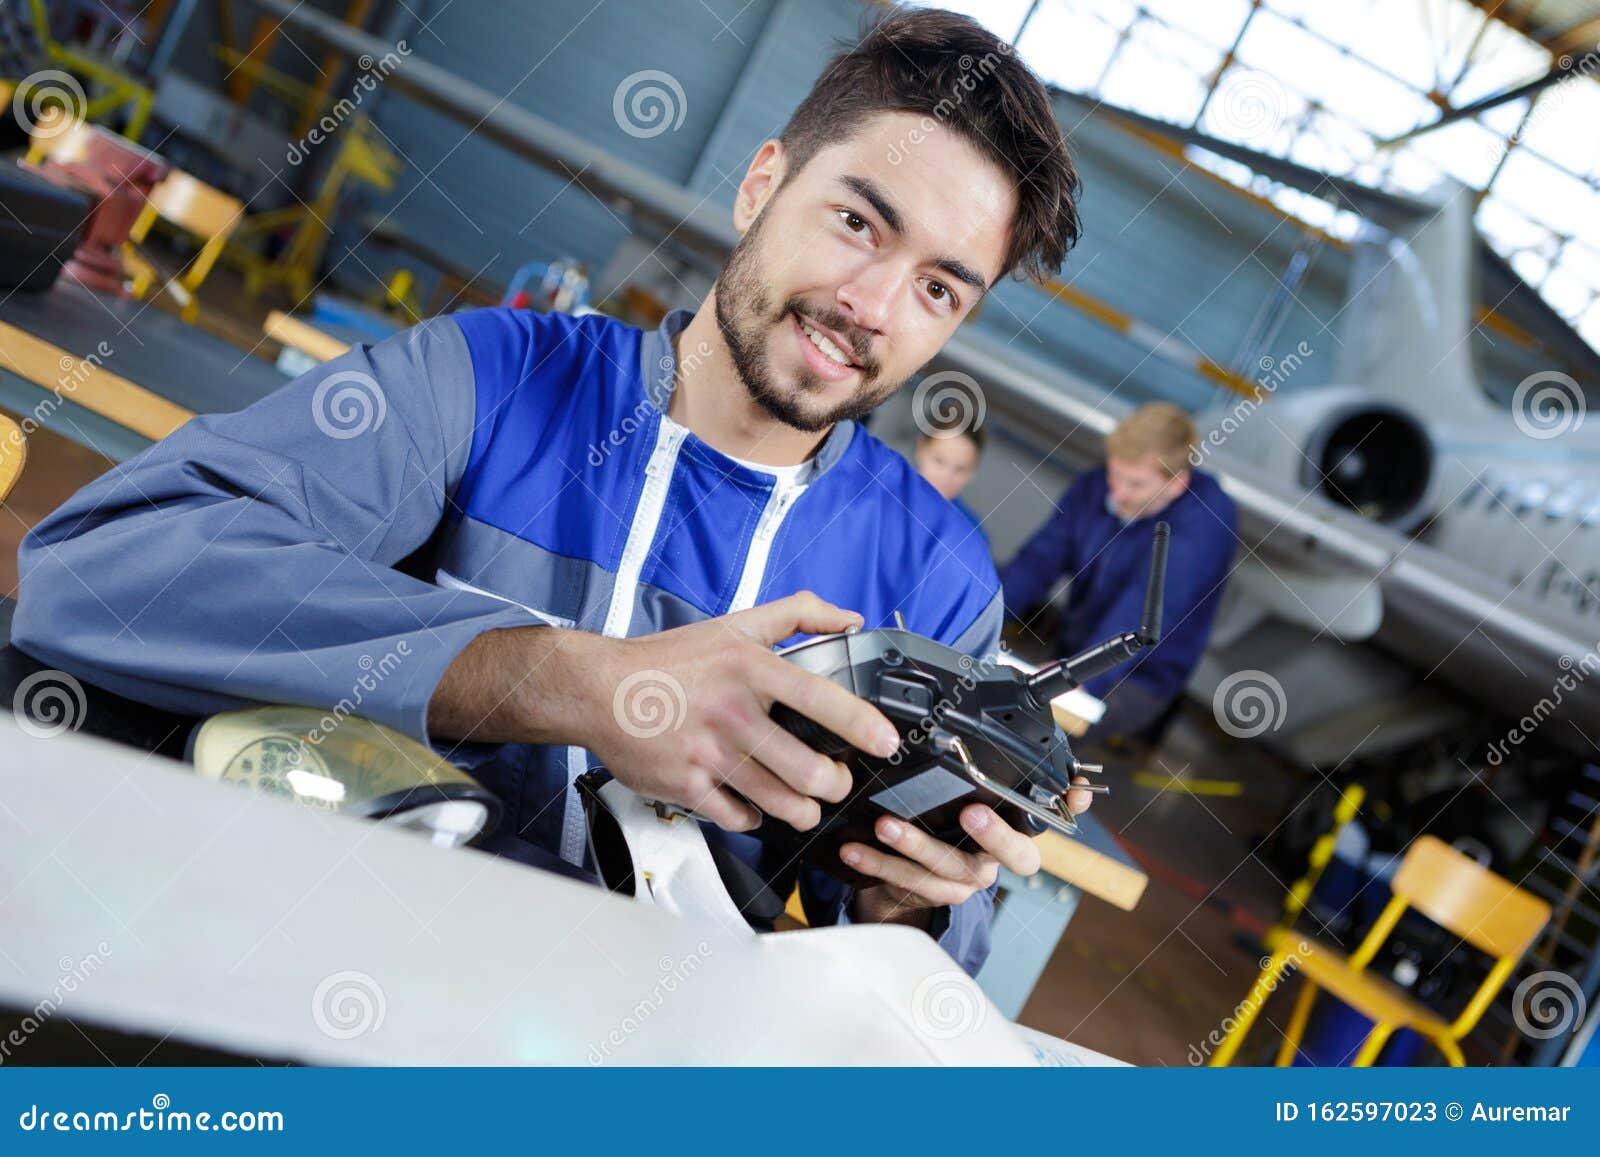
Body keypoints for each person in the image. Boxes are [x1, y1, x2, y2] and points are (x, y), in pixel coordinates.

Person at [13, 9, 1087, 976]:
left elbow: (921, 976)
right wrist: (568, 679)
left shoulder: (936, 584)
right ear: (761, 183)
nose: (871, 304)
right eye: (858, 223)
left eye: (938, 287)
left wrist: (910, 904)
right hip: (326, 967)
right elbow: (99, 568)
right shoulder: (488, 381)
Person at [1000, 403, 1238, 741]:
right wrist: (980, 613)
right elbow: (1037, 561)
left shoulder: (1207, 522)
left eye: (1136, 485)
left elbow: (1140, 612)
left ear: (1176, 484)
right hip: (1077, 645)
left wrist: (1077, 679)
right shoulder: (1096, 486)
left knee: (1041, 735)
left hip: (1139, 677)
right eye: (1114, 475)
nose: (1117, 493)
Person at [913, 420, 987, 546]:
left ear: (973, 472)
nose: (946, 477)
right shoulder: (881, 494)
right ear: (921, 449)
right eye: (939, 461)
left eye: (960, 469)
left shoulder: (972, 535)